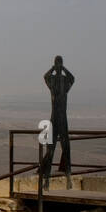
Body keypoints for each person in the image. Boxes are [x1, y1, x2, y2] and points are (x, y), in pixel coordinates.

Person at [40, 56, 74, 190]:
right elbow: (45, 76)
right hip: (55, 117)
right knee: (51, 149)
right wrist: (55, 68)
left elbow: (72, 78)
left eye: (59, 64)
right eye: (57, 64)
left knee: (66, 147)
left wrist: (60, 68)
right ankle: (46, 180)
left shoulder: (65, 82)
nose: (58, 67)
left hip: (62, 118)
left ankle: (69, 176)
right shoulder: (53, 80)